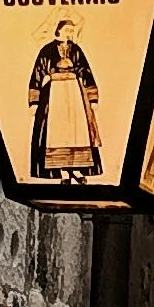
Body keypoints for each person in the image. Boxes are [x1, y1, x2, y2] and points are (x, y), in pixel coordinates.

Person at [26, 20, 103, 184]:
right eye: (66, 30)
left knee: (77, 131)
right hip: (54, 94)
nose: (69, 33)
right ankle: (62, 170)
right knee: (56, 131)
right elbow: (37, 74)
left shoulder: (76, 50)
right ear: (59, 31)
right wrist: (34, 101)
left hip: (75, 94)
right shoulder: (47, 50)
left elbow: (86, 71)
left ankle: (76, 167)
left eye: (71, 30)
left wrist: (92, 97)